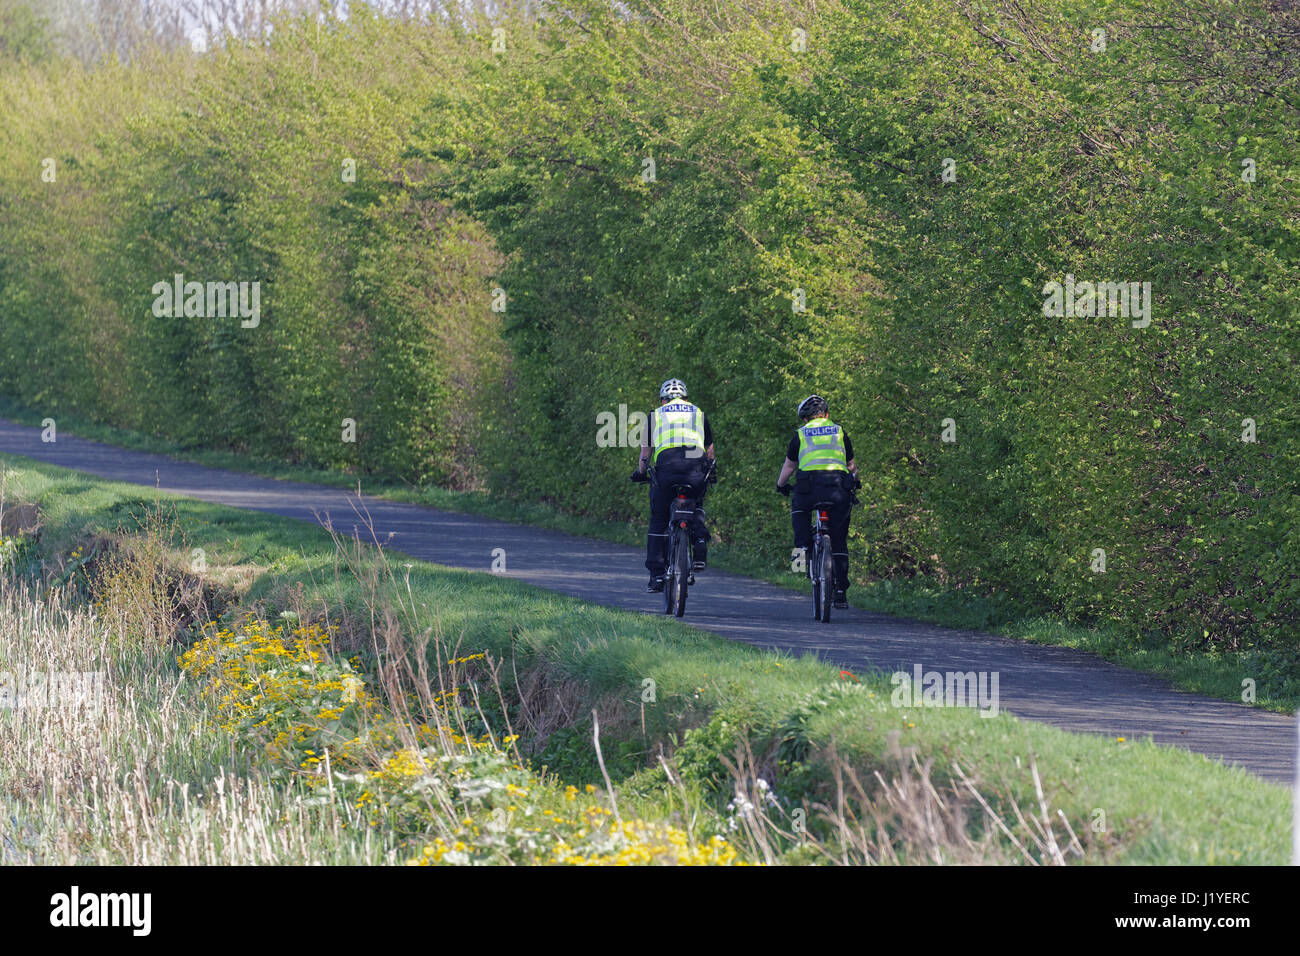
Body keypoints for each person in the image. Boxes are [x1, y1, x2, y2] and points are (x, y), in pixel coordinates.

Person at [631, 378, 715, 592]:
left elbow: (646, 449)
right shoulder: (698, 413)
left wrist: (641, 472)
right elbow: (710, 450)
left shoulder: (656, 415)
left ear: (662, 400)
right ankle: (700, 547)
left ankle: (657, 575)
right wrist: (711, 470)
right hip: (695, 467)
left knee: (659, 519)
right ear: (686, 398)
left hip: (667, 468)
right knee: (695, 505)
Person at [776, 395, 859, 609]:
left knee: (800, 516)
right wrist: (855, 482)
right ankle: (840, 590)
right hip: (838, 487)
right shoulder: (839, 431)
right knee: (839, 540)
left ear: (805, 419)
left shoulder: (800, 435)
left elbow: (789, 467)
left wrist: (780, 485)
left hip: (809, 487)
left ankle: (800, 559)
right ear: (827, 415)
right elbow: (851, 465)